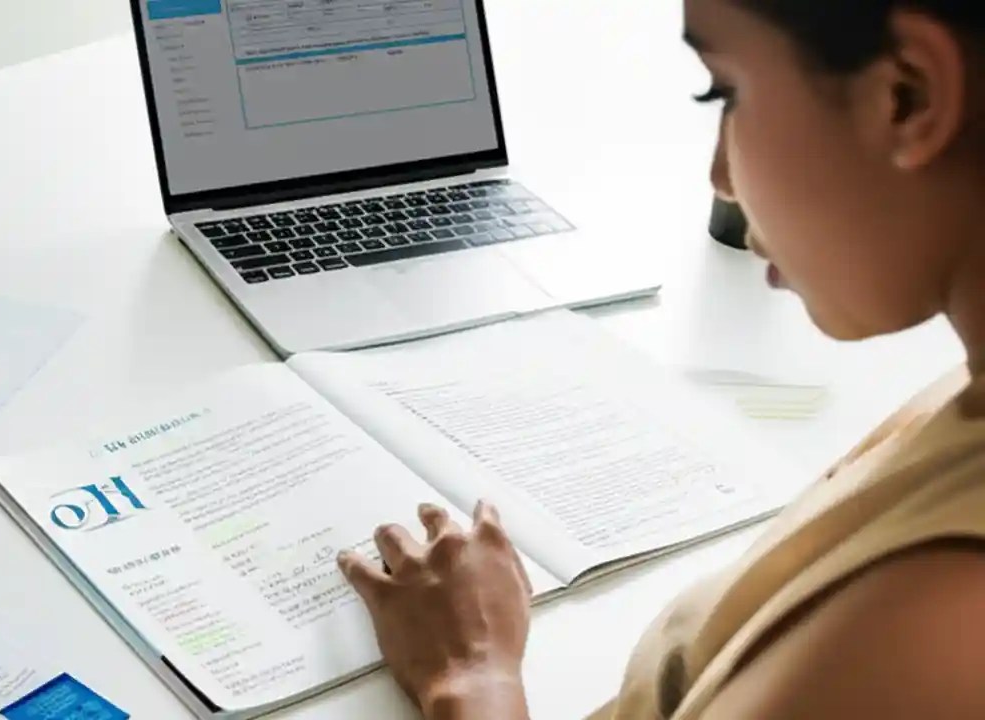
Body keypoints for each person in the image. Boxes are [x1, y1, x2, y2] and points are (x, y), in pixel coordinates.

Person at [336, 0, 985, 717]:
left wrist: (473, 678)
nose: (721, 178)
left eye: (727, 91)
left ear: (908, 96)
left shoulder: (930, 635)